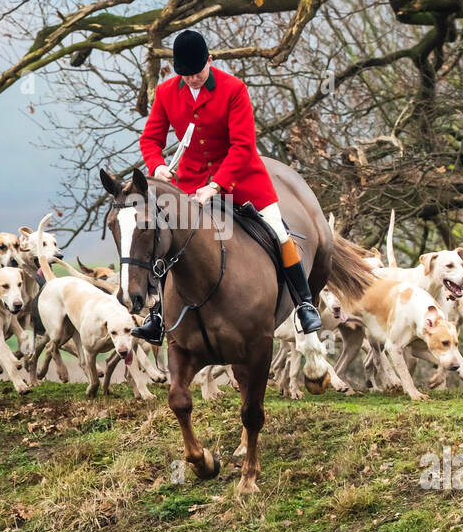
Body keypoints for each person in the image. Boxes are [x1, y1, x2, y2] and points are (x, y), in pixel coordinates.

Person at [131, 29, 323, 345]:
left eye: (197, 72)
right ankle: (157, 314)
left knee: (279, 229)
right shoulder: (167, 92)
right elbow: (150, 139)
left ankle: (304, 304)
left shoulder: (234, 89)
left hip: (241, 177)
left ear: (210, 60)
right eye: (185, 74)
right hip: (190, 180)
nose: (192, 79)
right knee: (165, 235)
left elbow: (243, 145)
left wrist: (217, 185)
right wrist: (158, 166)